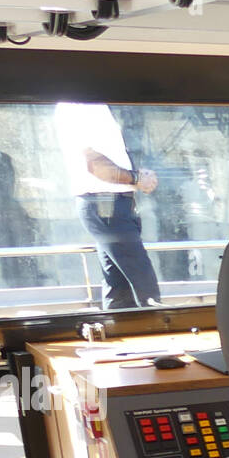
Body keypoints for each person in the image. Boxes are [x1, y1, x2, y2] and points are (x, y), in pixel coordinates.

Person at [53, 102, 163, 310]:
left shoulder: (91, 105)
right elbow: (95, 164)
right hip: (104, 204)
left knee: (119, 285)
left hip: (113, 203)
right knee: (142, 280)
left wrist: (136, 177)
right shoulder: (77, 106)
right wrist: (136, 178)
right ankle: (157, 323)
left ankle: (122, 322)